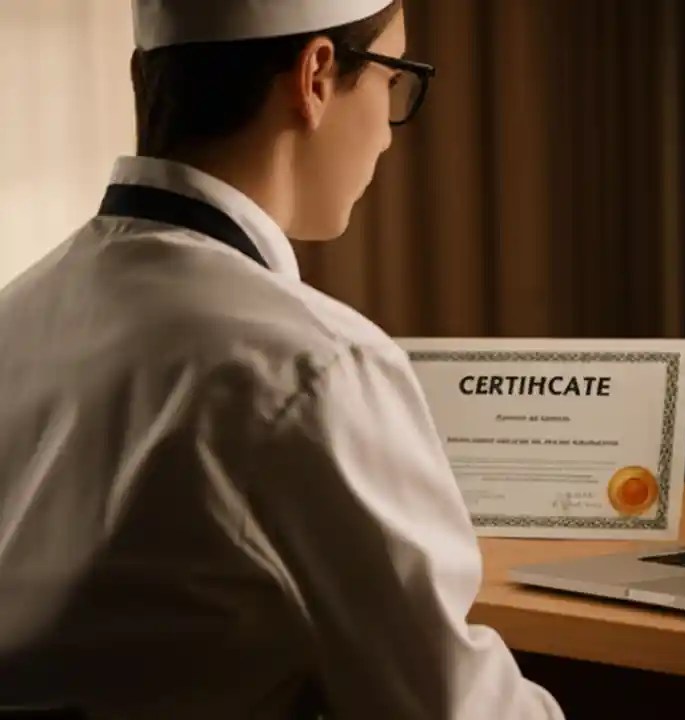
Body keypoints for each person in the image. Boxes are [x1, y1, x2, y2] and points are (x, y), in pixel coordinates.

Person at [0, 1, 563, 718]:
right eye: (393, 82)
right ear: (317, 75)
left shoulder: (16, 311)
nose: (389, 141)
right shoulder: (315, 366)